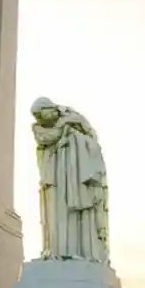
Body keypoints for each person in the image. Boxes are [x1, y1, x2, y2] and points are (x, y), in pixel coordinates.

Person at [31, 97, 110, 263]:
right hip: (54, 177)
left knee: (76, 216)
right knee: (55, 215)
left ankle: (81, 251)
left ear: (50, 109)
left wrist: (74, 138)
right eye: (37, 117)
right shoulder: (39, 130)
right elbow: (44, 141)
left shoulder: (73, 119)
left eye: (41, 114)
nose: (39, 119)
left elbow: (91, 138)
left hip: (75, 173)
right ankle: (56, 251)